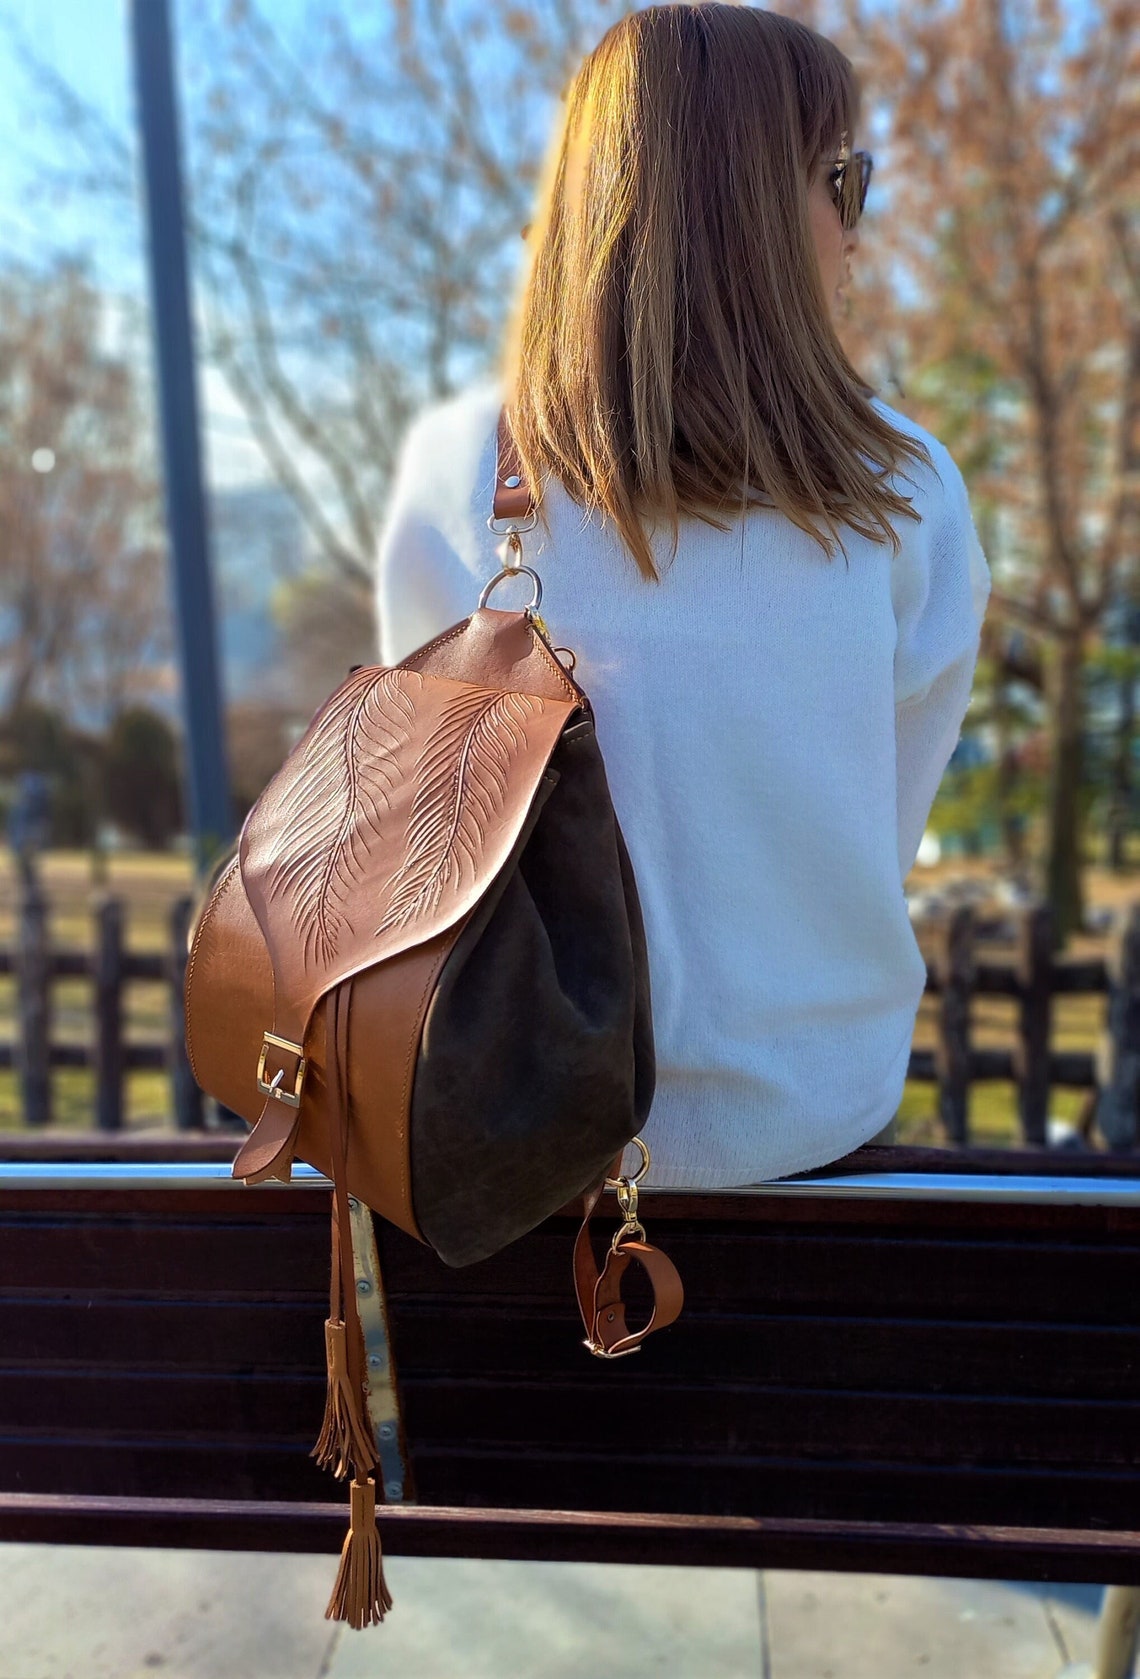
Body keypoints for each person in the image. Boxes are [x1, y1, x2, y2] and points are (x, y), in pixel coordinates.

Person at [374, 3, 991, 1189]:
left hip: (515, 1122)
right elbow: (875, 828)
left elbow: (435, 817)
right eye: (842, 181)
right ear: (757, 207)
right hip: (813, 1117)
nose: (856, 229)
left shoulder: (459, 468)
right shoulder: (903, 490)